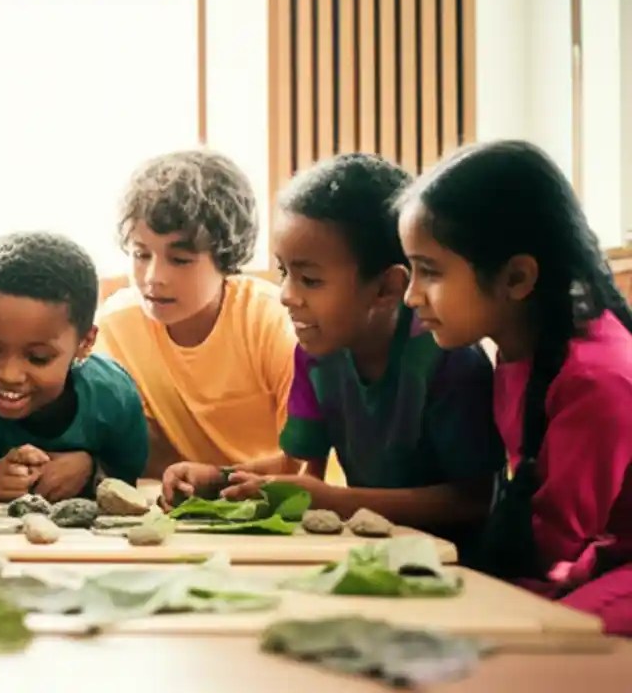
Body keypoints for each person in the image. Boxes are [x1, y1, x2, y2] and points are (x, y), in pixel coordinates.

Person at [163, 154, 501, 546]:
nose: (287, 296)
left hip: (462, 564)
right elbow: (299, 468)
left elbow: (475, 500)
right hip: (377, 549)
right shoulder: (317, 351)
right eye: (283, 273)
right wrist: (218, 479)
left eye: (309, 279)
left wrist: (337, 501)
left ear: (387, 288)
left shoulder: (447, 358)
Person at [399, 140, 632, 636]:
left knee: (533, 637)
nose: (410, 294)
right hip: (602, 562)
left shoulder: (597, 376)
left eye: (430, 271)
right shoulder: (513, 351)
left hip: (610, 566)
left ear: (517, 277)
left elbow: (552, 543)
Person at [95, 148, 297, 477]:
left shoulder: (271, 324)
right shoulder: (116, 327)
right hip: (178, 504)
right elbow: (126, 448)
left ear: (226, 258)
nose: (153, 277)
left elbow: (307, 462)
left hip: (284, 502)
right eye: (141, 254)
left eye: (180, 260)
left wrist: (217, 479)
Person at [0, 231, 149, 502]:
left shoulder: (113, 395)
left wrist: (91, 469)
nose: (10, 375)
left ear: (85, 342)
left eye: (38, 357)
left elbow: (130, 480)